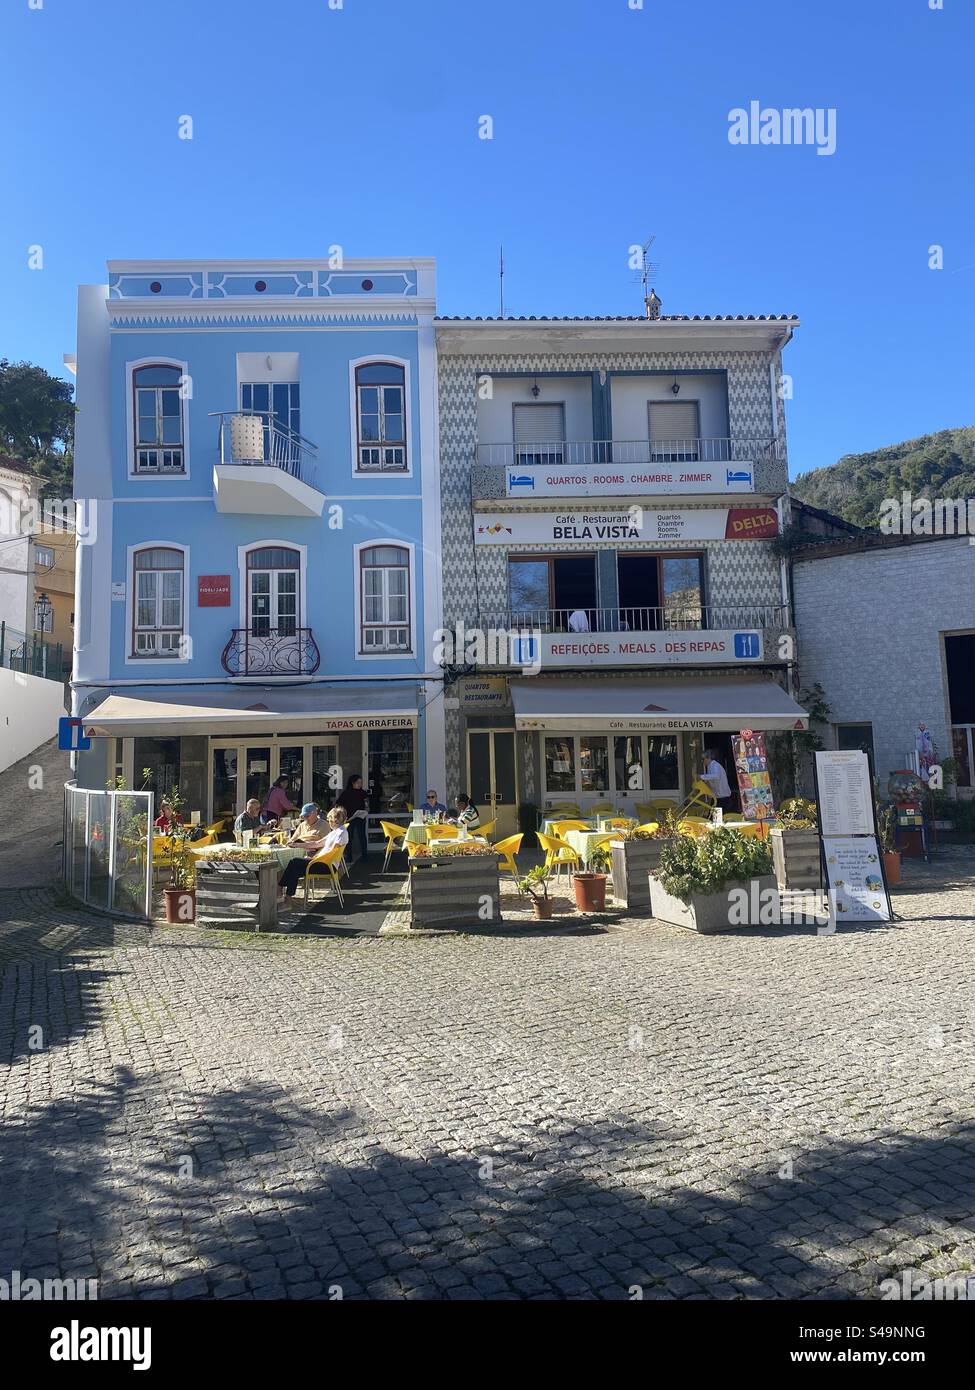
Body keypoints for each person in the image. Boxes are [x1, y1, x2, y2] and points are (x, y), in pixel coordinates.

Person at [279, 806, 348, 898]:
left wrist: (315, 858)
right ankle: (287, 897)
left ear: (334, 820)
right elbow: (317, 843)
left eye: (329, 819)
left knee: (294, 862)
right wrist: (297, 845)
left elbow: (332, 853)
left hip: (326, 865)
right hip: (322, 862)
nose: (328, 821)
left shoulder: (341, 833)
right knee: (294, 869)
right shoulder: (335, 832)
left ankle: (280, 888)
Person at [336, 774, 370, 861]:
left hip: (360, 817)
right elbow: (338, 804)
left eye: (361, 782)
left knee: (362, 836)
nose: (360, 784)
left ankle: (365, 855)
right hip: (349, 818)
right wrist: (343, 814)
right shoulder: (346, 793)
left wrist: (366, 809)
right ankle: (349, 856)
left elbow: (366, 804)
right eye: (358, 782)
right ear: (352, 783)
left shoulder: (362, 793)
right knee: (349, 837)